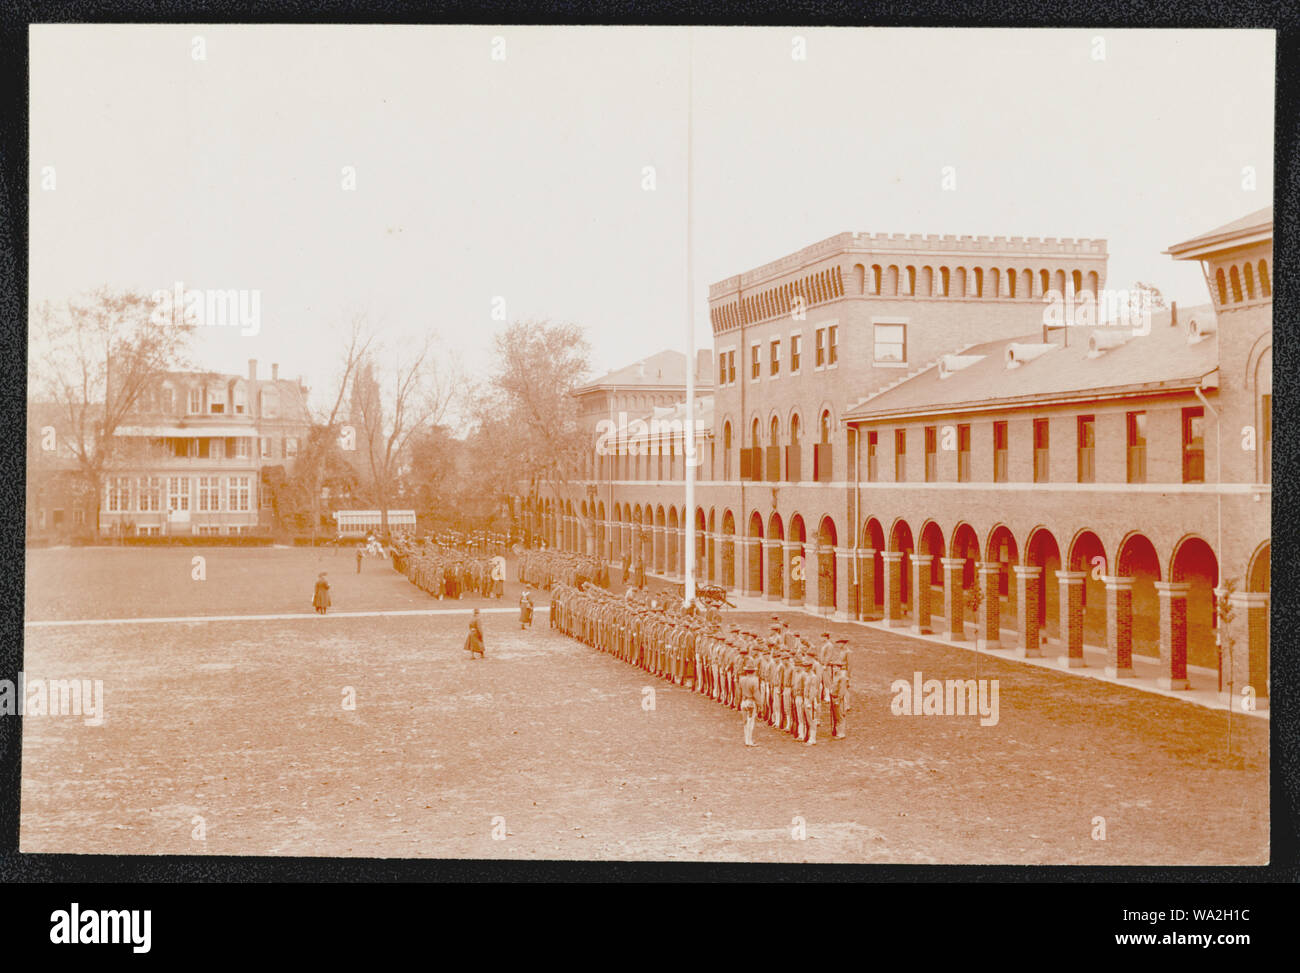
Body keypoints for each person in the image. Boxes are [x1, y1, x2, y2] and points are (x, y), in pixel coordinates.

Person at [739, 658, 760, 747]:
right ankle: (749, 740)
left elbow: (739, 691)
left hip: (743, 701)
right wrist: (760, 704)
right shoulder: (755, 680)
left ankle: (746, 739)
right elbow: (756, 694)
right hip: (751, 701)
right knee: (751, 722)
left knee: (745, 721)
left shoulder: (742, 679)